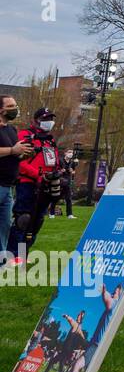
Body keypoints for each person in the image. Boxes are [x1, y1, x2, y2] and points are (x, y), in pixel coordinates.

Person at [8, 107, 62, 262]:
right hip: (28, 182)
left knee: (37, 220)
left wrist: (57, 173)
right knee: (23, 219)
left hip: (46, 183)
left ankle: (24, 253)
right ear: (36, 120)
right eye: (45, 119)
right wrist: (38, 175)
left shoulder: (50, 140)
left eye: (50, 119)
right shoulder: (25, 136)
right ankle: (13, 254)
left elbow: (54, 162)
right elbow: (20, 162)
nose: (48, 122)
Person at [0, 94, 34, 264]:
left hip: (8, 186)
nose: (15, 108)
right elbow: (11, 150)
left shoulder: (11, 130)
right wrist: (13, 150)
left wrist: (23, 153)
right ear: (1, 109)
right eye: (11, 105)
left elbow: (14, 153)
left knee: (5, 226)